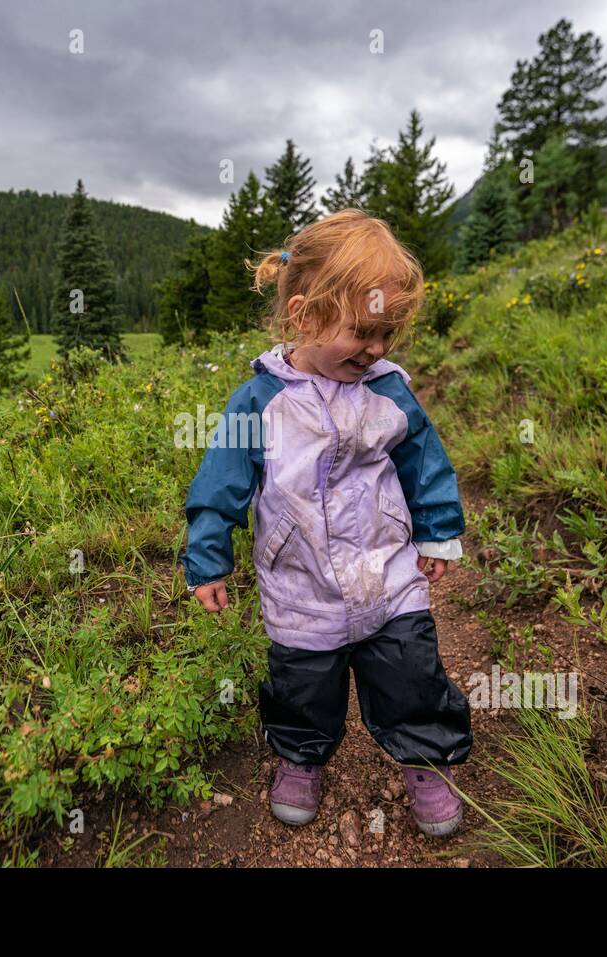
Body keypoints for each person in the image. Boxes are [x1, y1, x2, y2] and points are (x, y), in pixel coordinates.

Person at [177, 209, 472, 837]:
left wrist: (437, 530)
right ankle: (300, 756)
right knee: (303, 685)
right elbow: (219, 483)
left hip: (387, 572)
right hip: (300, 580)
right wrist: (207, 556)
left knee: (410, 674)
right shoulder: (258, 401)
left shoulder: (389, 392)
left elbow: (425, 464)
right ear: (305, 315)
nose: (376, 349)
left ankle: (426, 760)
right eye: (363, 332)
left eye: (388, 334)